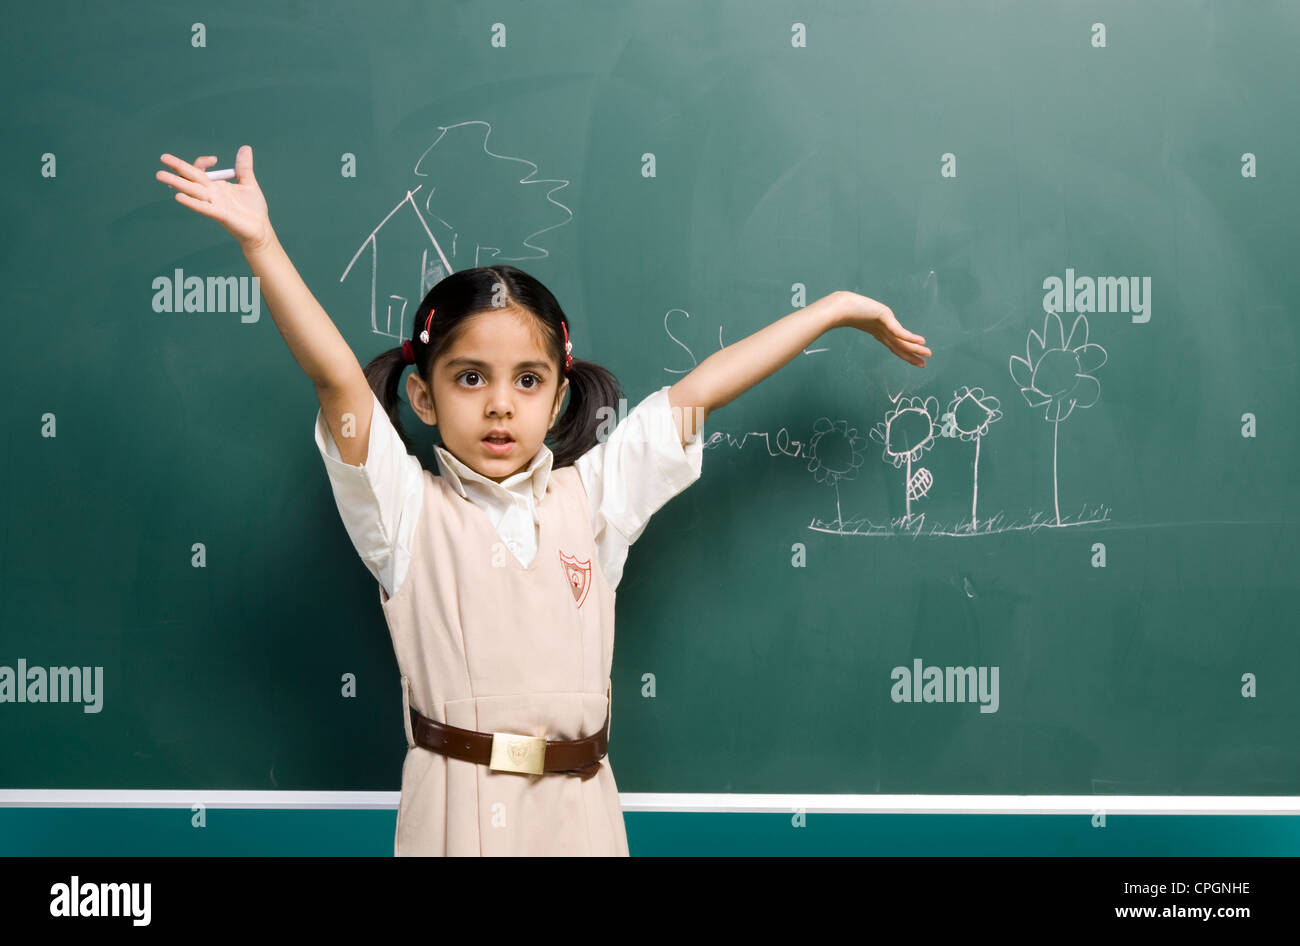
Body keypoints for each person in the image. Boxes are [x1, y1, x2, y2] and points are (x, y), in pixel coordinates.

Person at [155, 145, 932, 856]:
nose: (500, 405)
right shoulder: (402, 510)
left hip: (582, 817)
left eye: (527, 381)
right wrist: (261, 246)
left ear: (560, 400)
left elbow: (700, 391)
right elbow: (335, 381)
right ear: (422, 397)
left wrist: (832, 307)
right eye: (470, 378)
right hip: (454, 815)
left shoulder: (595, 497)